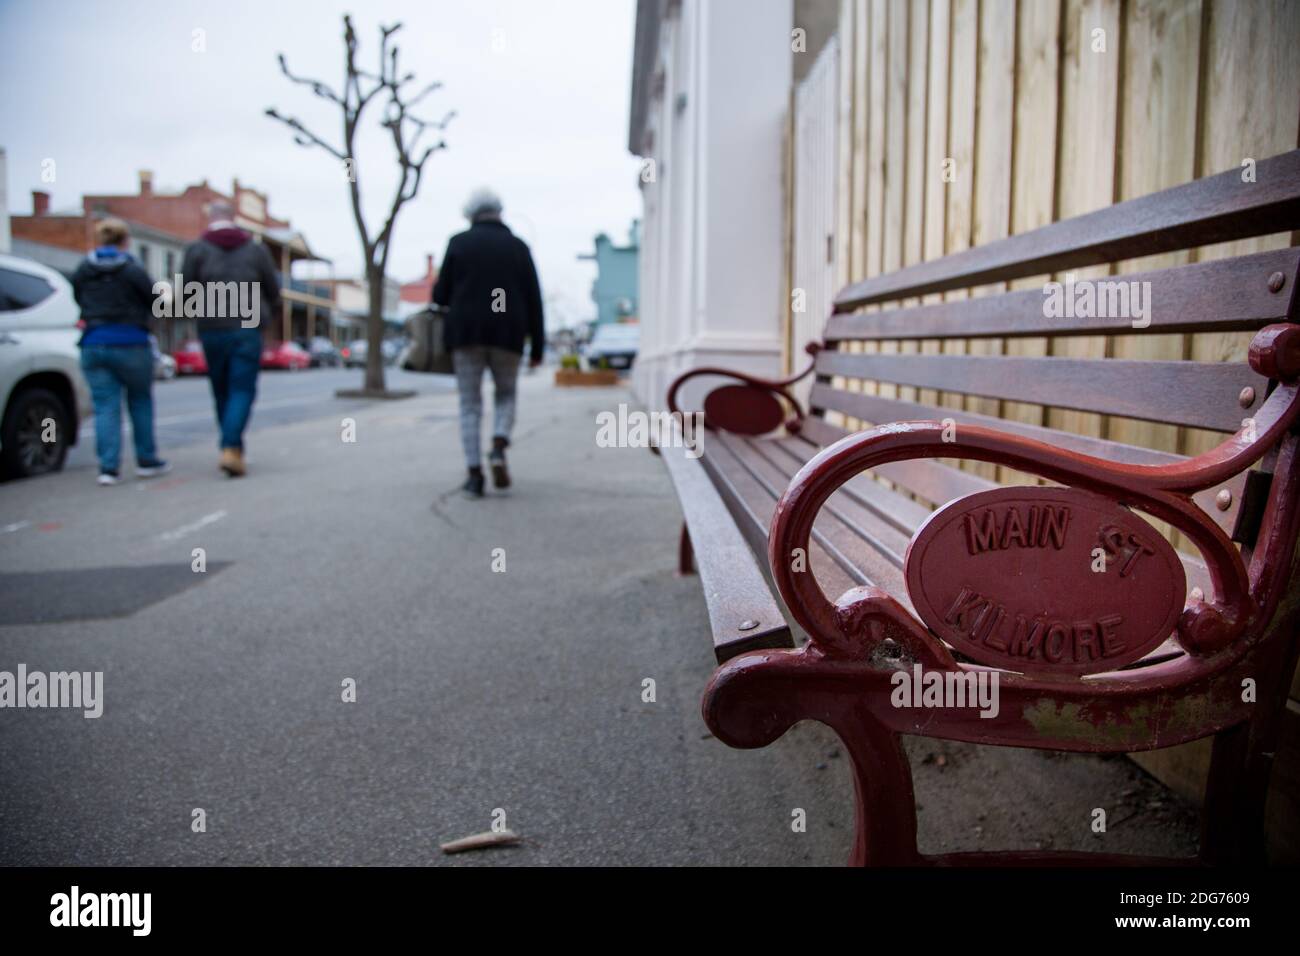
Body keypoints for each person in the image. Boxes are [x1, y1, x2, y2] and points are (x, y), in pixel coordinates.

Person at [432, 188, 545, 499]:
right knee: (506, 394)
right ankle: (498, 443)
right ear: (499, 212)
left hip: (466, 334)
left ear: (471, 213)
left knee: (469, 404)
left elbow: (439, 295)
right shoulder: (518, 247)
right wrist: (537, 347)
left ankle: (473, 474)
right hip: (508, 334)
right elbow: (534, 299)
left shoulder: (459, 244)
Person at [180, 201, 281, 477]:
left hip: (212, 326)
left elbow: (187, 291)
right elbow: (273, 290)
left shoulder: (197, 250)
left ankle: (231, 447)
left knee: (221, 389)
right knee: (242, 389)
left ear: (210, 219)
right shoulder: (255, 250)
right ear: (233, 219)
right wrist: (268, 315)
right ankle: (231, 446)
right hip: (247, 325)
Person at [70, 218, 169, 485]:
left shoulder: (84, 267)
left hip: (94, 341)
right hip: (131, 342)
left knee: (105, 406)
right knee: (139, 400)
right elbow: (154, 300)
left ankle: (108, 468)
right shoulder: (132, 268)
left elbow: (77, 296)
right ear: (126, 241)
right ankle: (146, 460)